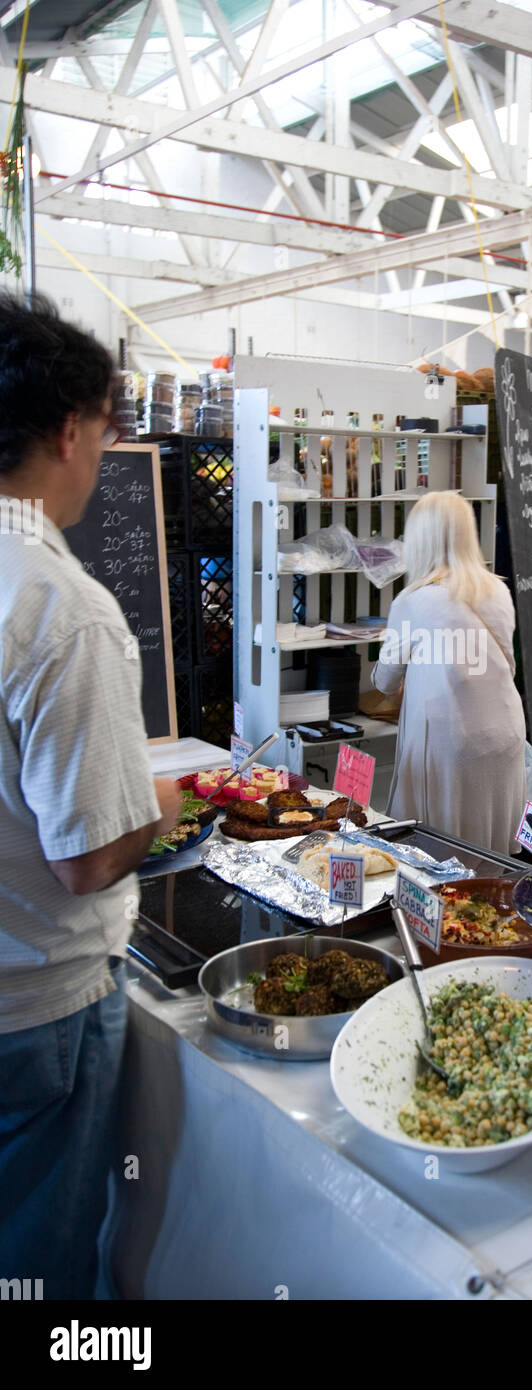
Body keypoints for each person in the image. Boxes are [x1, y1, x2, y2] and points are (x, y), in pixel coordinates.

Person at [0, 294, 181, 1299]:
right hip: (36, 1002)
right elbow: (89, 853)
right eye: (106, 435)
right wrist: (162, 803)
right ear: (70, 428)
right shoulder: (58, 603)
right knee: (41, 1261)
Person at [370, 491, 526, 854]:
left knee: (438, 858)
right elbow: (506, 666)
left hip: (449, 743)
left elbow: (386, 682)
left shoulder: (412, 601)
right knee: (491, 856)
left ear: (420, 541)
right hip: (504, 736)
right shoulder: (499, 591)